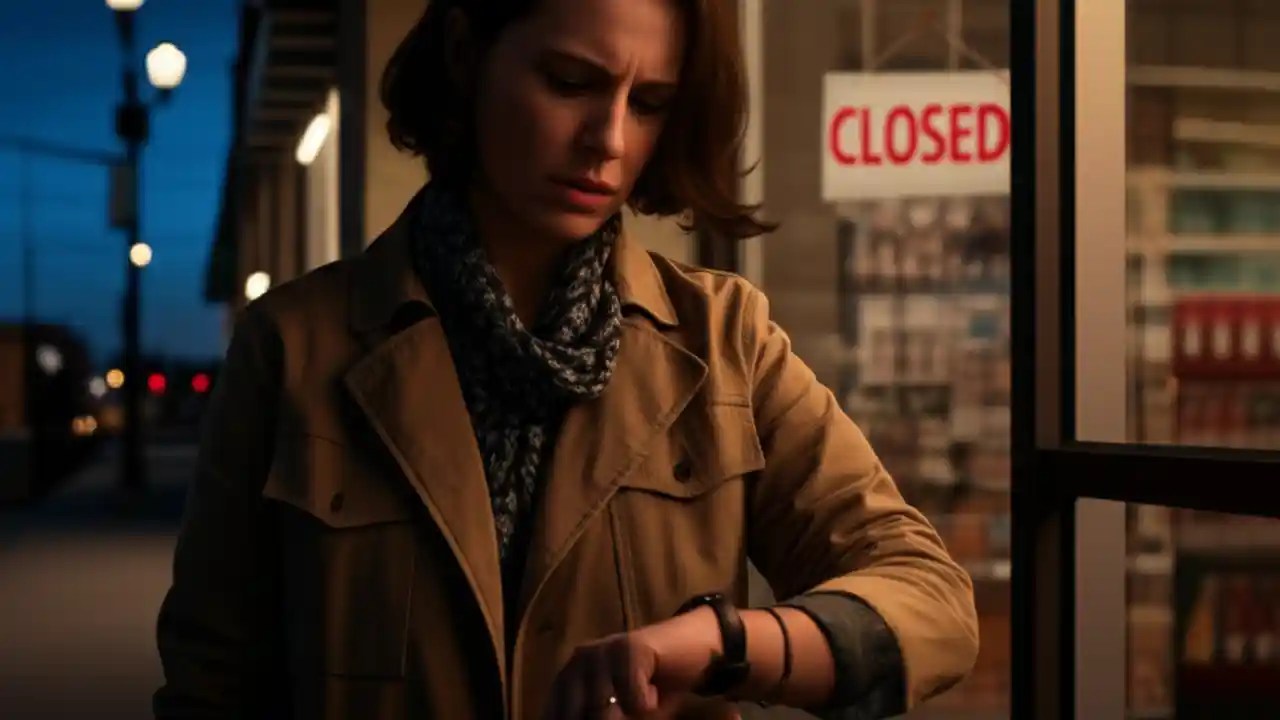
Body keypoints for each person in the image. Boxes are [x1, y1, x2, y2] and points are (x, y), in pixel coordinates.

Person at [152, 0, 979, 718]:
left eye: (650, 102)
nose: (608, 140)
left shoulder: (726, 340)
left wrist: (728, 642)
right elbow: (212, 686)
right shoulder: (295, 348)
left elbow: (930, 601)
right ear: (467, 54)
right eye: (571, 83)